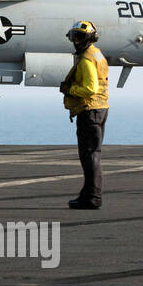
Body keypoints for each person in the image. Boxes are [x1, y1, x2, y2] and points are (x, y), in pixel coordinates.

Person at [59, 19, 109, 209]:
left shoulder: (87, 59)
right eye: (73, 36)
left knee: (89, 156)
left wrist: (69, 89)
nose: (75, 41)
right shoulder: (97, 54)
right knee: (92, 154)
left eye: (79, 37)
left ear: (89, 38)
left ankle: (93, 197)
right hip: (100, 108)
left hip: (90, 110)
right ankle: (88, 193)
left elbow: (89, 88)